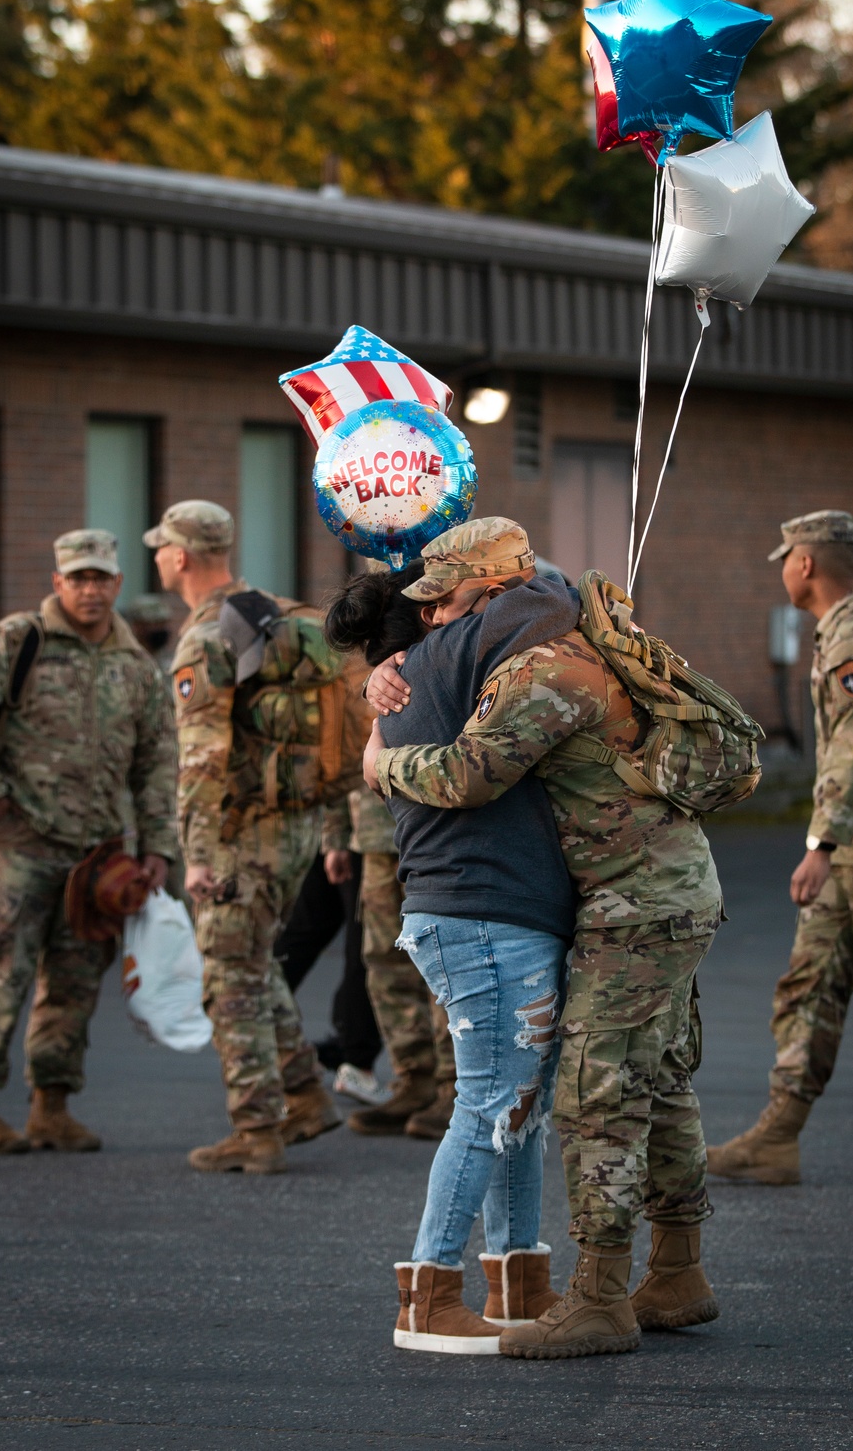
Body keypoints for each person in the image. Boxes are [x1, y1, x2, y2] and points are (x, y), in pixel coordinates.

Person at [366, 516, 723, 1359]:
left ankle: (599, 1297)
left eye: (443, 602)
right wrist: (387, 669)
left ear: (491, 592)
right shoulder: (573, 636)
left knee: (597, 1093)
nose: (431, 618)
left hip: (634, 899)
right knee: (657, 1079)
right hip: (659, 890)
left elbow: (468, 773)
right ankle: (675, 1273)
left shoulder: (544, 666)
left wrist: (381, 763)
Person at [327, 542, 578, 1354]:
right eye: (464, 597)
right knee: (491, 1105)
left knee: (518, 1109)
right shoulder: (449, 655)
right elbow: (554, 596)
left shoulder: (412, 676)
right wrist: (504, 565)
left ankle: (515, 1284)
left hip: (479, 913)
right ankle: (429, 1298)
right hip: (486, 916)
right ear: (439, 612)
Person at [706, 510, 853, 1190]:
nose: (782, 571)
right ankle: (777, 1138)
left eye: (785, 559)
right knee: (808, 991)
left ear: (805, 563)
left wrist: (820, 844)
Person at [0, 529, 176, 1154]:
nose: (90, 590)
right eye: (78, 578)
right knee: (1, 978)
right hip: (18, 847)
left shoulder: (135, 665)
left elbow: (157, 761)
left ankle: (51, 1106)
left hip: (96, 858)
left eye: (100, 578)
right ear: (58, 582)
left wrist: (157, 847)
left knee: (74, 985)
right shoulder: (17, 641)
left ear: (117, 584)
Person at [148, 499, 345, 1174]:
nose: (158, 558)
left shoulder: (207, 636)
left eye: (161, 548)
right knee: (257, 964)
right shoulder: (271, 615)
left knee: (229, 978)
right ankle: (305, 1095)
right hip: (294, 826)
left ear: (179, 556)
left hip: (239, 834)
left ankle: (257, 1129)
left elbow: (202, 756)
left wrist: (199, 854)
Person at [321, 786, 456, 1139]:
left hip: (433, 825)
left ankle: (454, 1088)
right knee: (384, 962)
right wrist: (336, 836)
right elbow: (342, 758)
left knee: (438, 960)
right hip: (375, 833)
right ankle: (416, 1080)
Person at [275, 837, 389, 1107]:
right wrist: (336, 838)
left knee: (303, 933)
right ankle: (357, 1062)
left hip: (330, 833)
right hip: (357, 837)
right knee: (365, 942)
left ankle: (254, 1032)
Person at [123, 593, 176, 670]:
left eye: (164, 623)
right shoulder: (123, 660)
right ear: (137, 626)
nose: (161, 628)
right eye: (156, 623)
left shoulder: (171, 661)